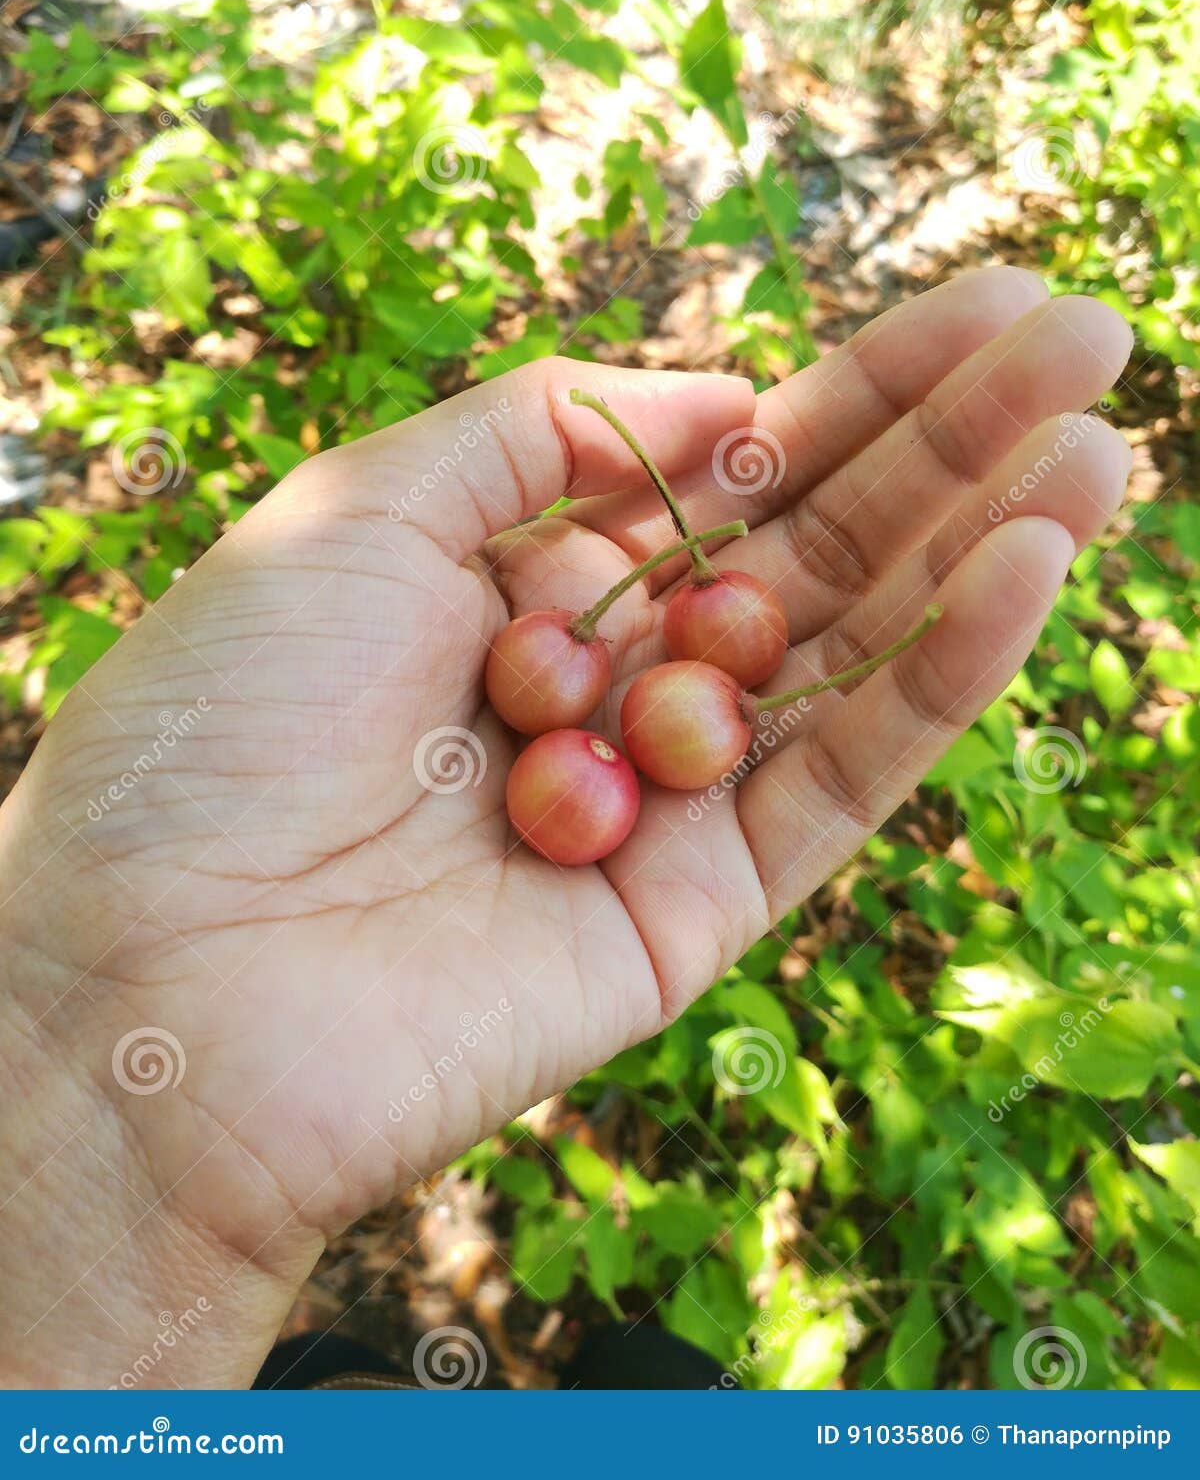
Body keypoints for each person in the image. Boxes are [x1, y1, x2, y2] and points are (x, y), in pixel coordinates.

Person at [0, 269, 1132, 1388]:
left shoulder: (656, 689)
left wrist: (69, 1045)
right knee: (651, 1376)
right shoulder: (611, 690)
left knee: (388, 1376)